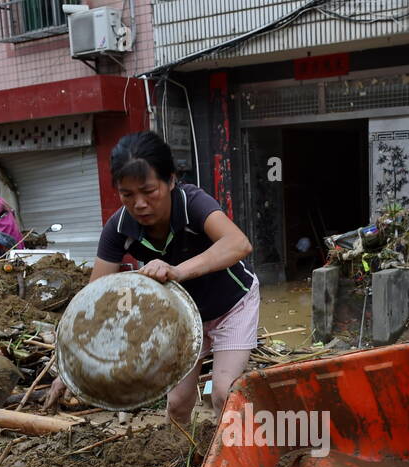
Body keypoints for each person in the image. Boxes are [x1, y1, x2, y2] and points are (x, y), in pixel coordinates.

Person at [45, 131, 256, 426]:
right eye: (127, 195)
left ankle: (232, 464)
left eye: (149, 191)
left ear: (170, 180)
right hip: (178, 316)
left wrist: (178, 271)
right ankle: (181, 465)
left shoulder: (192, 203)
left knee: (224, 393)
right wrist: (68, 368)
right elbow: (92, 300)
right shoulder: (118, 227)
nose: (139, 204)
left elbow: (239, 243)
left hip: (231, 305)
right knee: (178, 403)